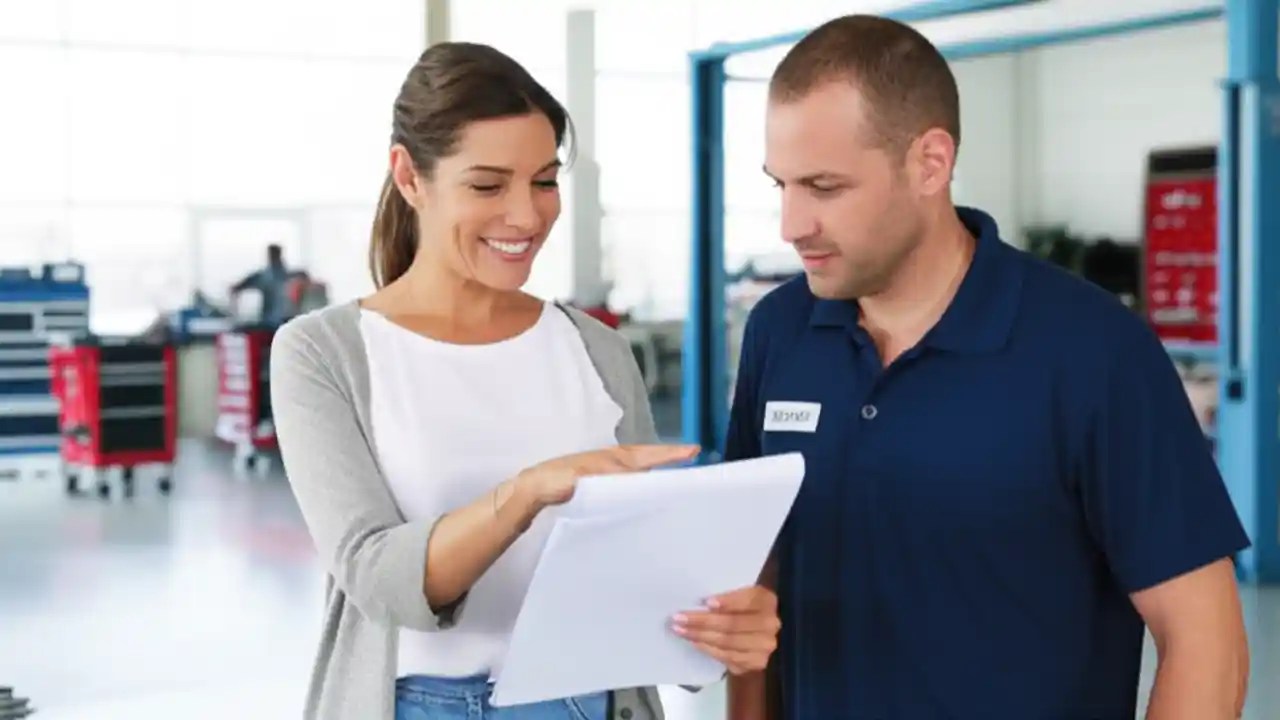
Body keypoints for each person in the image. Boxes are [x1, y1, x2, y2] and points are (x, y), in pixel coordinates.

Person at [725, 14, 1250, 720]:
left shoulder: (1092, 349)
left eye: (824, 187)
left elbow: (1204, 641)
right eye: (779, 184)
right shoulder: (779, 332)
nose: (791, 224)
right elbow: (756, 585)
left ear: (930, 163)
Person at [269, 42, 781, 720]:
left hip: (590, 703)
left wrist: (718, 624)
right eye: (487, 185)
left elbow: (646, 573)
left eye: (544, 180)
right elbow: (377, 578)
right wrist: (524, 495)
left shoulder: (594, 349)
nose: (527, 215)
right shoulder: (325, 353)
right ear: (409, 176)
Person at [229, 243, 306, 325]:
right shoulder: (264, 276)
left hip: (281, 321)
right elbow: (238, 287)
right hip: (270, 322)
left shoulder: (287, 276)